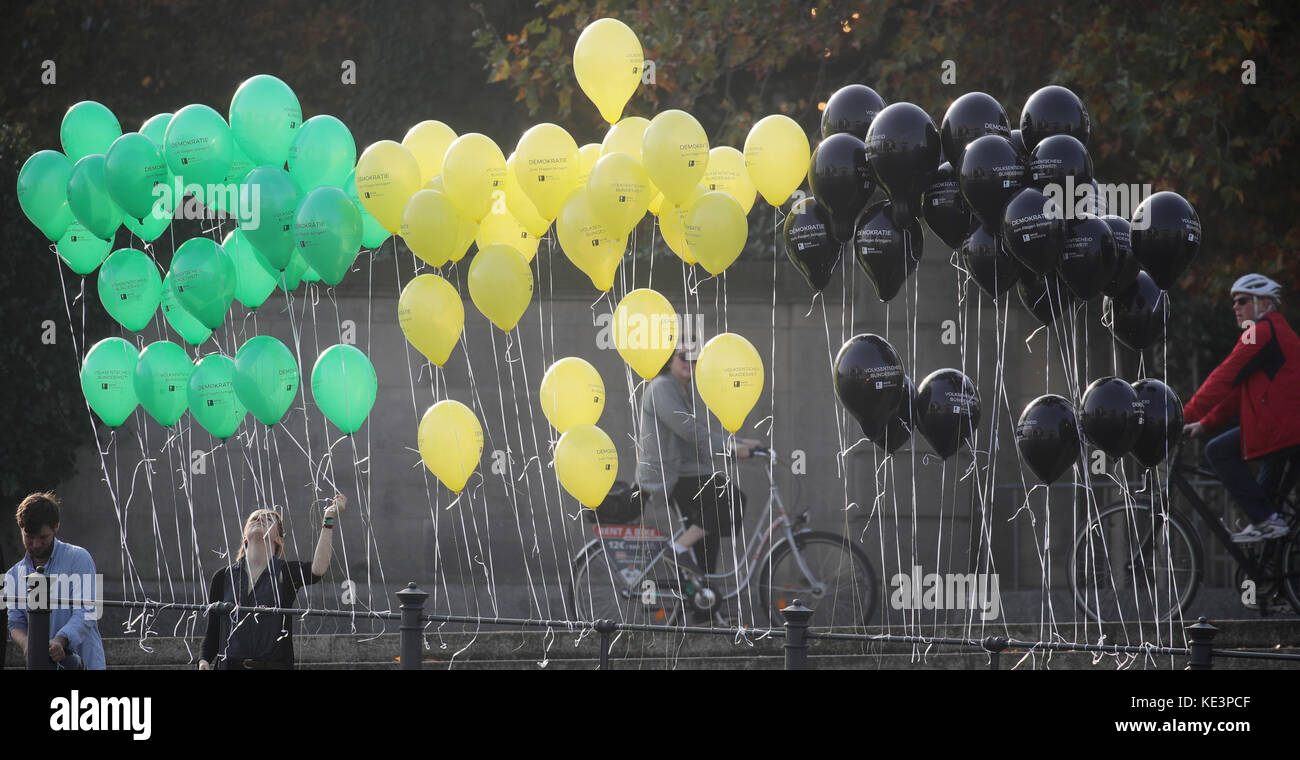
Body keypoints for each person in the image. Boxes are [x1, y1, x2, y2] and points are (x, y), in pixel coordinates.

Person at [635, 340, 762, 587]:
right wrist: (731, 447)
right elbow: (689, 431)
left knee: (708, 536)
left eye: (695, 359)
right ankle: (677, 549)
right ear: (669, 359)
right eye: (683, 357)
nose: (690, 363)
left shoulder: (682, 391)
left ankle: (704, 606)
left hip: (689, 473)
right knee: (730, 499)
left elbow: (703, 432)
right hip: (670, 476)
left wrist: (741, 441)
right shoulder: (662, 387)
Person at [1183, 274, 1300, 542]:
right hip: (1286, 429)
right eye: (1234, 302)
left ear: (1265, 303)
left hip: (1284, 430)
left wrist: (1184, 415)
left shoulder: (1259, 333)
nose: (1235, 307)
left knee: (1218, 451)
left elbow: (1225, 376)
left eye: (1243, 301)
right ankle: (1272, 570)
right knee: (1267, 509)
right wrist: (1204, 424)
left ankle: (1267, 521)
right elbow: (1237, 393)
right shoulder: (1273, 331)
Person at [198, 494, 346, 670]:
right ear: (245, 537)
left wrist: (328, 518)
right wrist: (204, 660)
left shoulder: (286, 572)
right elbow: (214, 629)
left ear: (279, 540)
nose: (260, 519)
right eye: (254, 518)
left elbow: (317, 570)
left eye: (268, 519)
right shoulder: (223, 577)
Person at [5, 491, 107, 669]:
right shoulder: (12, 575)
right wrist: (27, 644)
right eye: (29, 536)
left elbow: (88, 610)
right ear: (21, 529)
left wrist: (61, 640)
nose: (36, 544)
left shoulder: (80, 558)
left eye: (43, 537)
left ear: (56, 527)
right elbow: (15, 623)